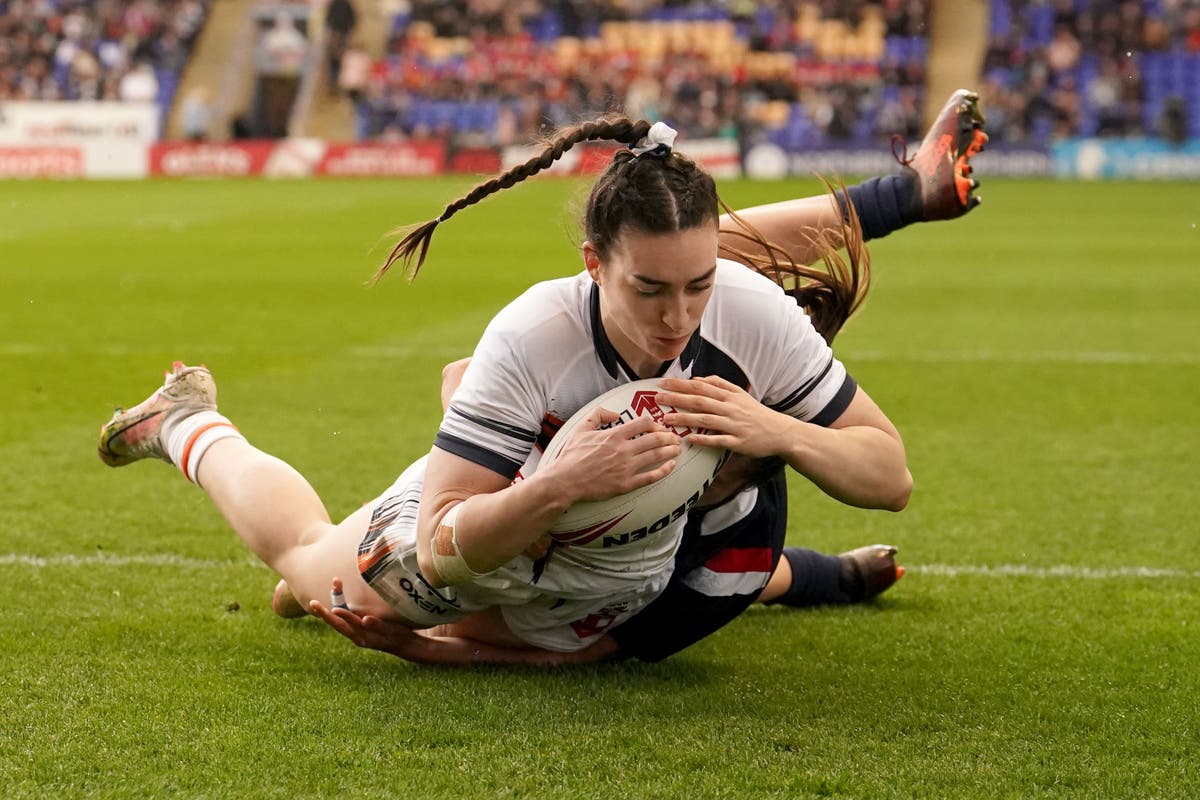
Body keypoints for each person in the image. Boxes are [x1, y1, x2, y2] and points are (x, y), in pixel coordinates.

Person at [99, 90, 986, 664]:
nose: (681, 317)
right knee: (316, 564)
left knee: (652, 557)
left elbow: (887, 476)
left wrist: (779, 431)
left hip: (601, 562)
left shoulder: (745, 329)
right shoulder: (537, 329)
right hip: (499, 513)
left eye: (701, 286)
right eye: (649, 290)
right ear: (592, 264)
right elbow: (449, 541)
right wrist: (551, 486)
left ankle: (902, 195)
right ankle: (185, 421)